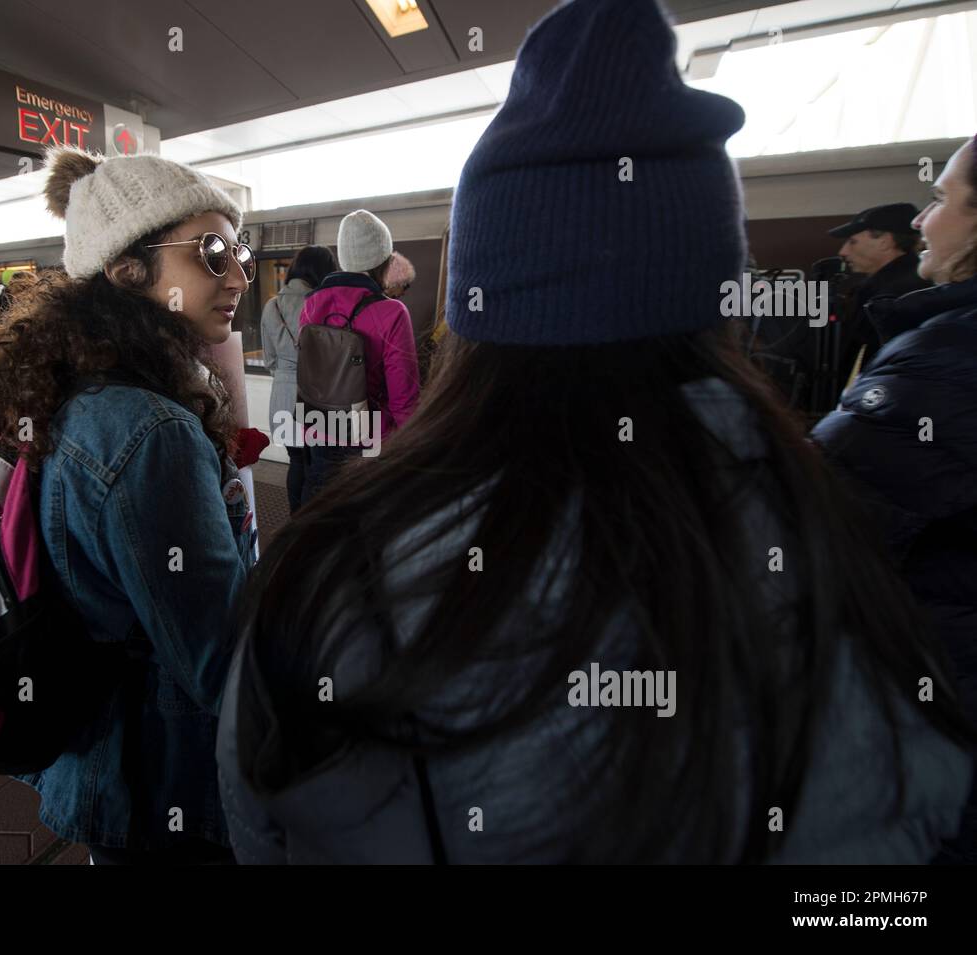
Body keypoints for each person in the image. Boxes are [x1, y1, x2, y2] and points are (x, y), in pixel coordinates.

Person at [216, 0, 974, 865]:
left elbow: (268, 821)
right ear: (718, 306)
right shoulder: (840, 538)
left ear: (476, 315)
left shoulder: (330, 573)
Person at [0, 146, 256, 864]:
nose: (238, 274)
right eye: (211, 251)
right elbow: (220, 662)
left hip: (107, 756)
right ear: (126, 269)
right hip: (166, 776)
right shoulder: (150, 429)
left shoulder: (76, 393)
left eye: (241, 251)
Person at [813, 134, 977, 862]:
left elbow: (817, 524)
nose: (924, 221)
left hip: (932, 697)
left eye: (942, 199)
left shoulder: (947, 354)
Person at [298, 210, 420, 503]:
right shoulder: (392, 312)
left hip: (319, 429)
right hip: (370, 438)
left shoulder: (312, 303)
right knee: (365, 525)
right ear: (385, 261)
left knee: (319, 520)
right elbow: (404, 394)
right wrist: (411, 444)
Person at [261, 245, 336, 512]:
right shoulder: (322, 302)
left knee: (295, 460)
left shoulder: (271, 306)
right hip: (315, 394)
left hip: (281, 393)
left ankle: (295, 518)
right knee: (315, 464)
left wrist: (285, 373)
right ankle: (310, 523)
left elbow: (269, 358)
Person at [828, 202, 931, 384]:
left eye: (853, 241)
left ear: (884, 241)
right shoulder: (892, 287)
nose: (843, 251)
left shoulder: (897, 296)